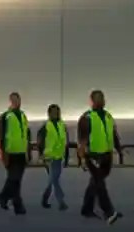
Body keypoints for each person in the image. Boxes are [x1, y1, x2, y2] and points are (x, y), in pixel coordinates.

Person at [77, 89, 123, 225]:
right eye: (97, 98)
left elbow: (113, 134)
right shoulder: (86, 118)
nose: (100, 101)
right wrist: (82, 158)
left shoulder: (108, 116)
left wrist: (119, 149)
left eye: (102, 98)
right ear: (91, 101)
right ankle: (109, 211)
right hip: (93, 156)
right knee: (100, 184)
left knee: (96, 182)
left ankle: (86, 208)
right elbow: (82, 140)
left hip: (106, 155)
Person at [0, 92, 30, 215]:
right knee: (14, 178)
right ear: (10, 102)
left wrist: (28, 151)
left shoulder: (23, 116)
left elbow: (26, 135)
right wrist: (1, 151)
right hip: (10, 153)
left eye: (18, 100)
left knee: (16, 180)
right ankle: (6, 199)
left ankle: (9, 201)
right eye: (13, 100)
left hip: (21, 152)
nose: (16, 102)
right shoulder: (5, 117)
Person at [36, 103, 69, 210]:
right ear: (49, 114)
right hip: (49, 157)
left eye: (57, 112)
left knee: (53, 179)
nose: (55, 114)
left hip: (59, 157)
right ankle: (61, 201)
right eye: (53, 112)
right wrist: (41, 154)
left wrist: (66, 157)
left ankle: (45, 198)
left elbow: (65, 142)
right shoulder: (45, 127)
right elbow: (40, 141)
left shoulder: (62, 126)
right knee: (54, 179)